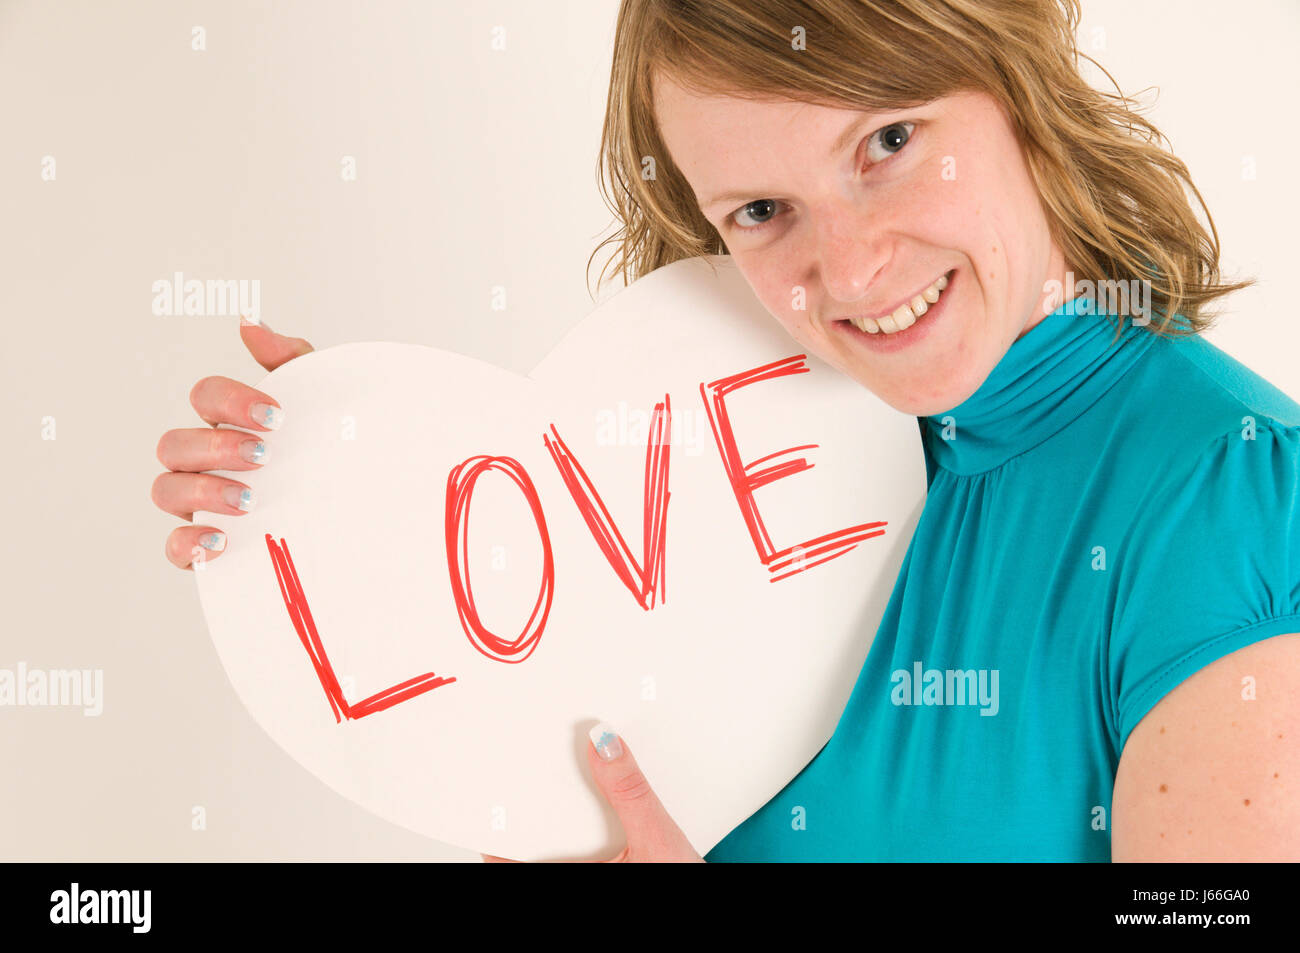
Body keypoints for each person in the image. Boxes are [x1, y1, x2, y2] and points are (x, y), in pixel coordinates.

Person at [152, 0, 1300, 861]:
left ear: (1018, 81)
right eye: (761, 211)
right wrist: (358, 510)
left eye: (888, 143)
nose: (848, 269)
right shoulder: (719, 474)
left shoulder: (1225, 498)